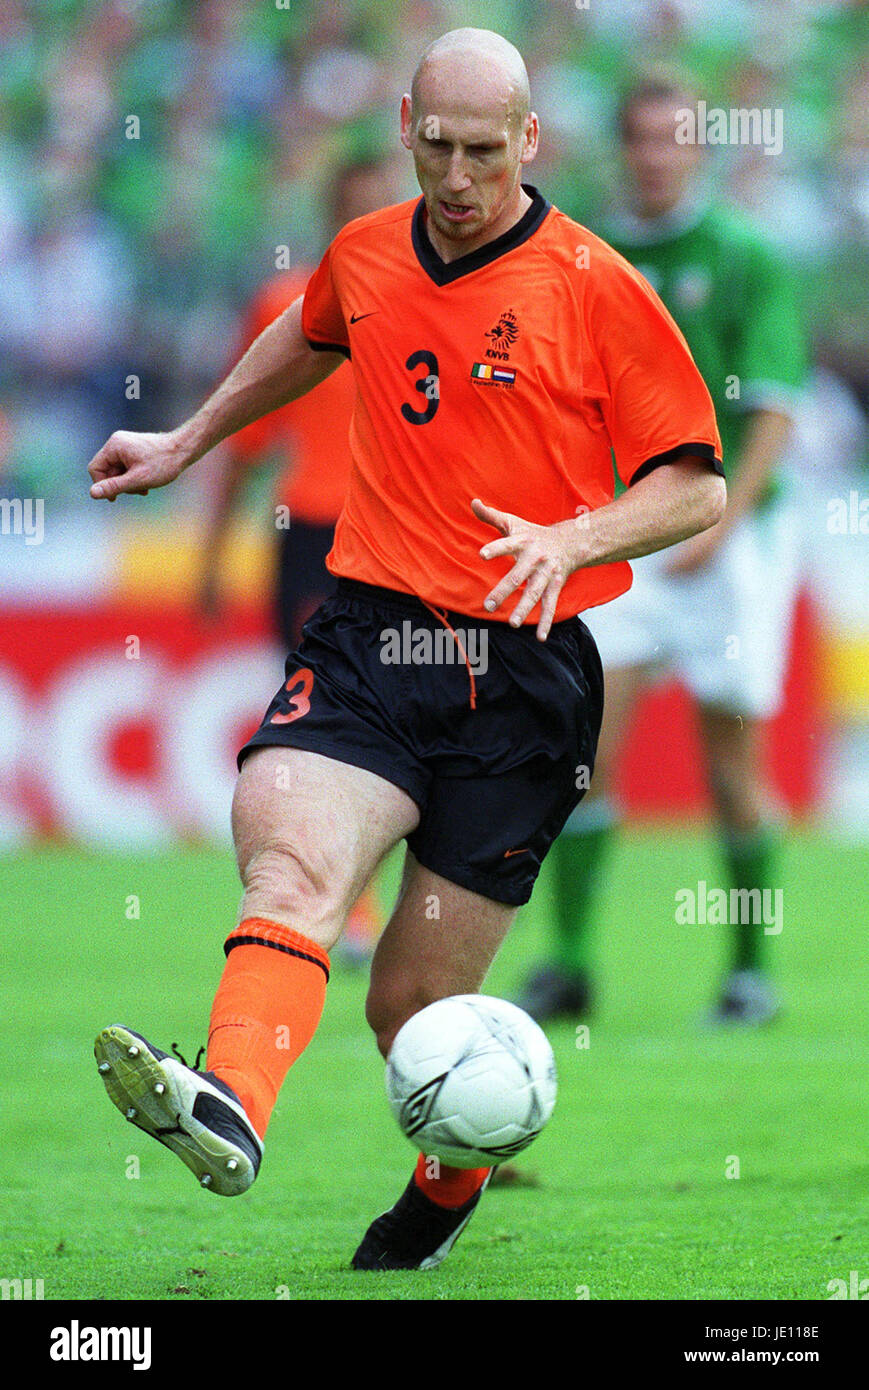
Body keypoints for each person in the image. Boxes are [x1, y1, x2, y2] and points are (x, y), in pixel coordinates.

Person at [88, 30, 725, 1272]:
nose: (456, 173)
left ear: (530, 142)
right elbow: (313, 333)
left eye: (484, 150)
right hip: (373, 635)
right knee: (286, 864)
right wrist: (191, 438)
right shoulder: (366, 251)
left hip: (522, 678)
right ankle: (229, 1100)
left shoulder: (593, 284)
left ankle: (439, 1195)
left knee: (413, 1015)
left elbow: (692, 487)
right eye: (434, 144)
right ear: (404, 124)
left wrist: (577, 532)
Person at [518, 73, 806, 1027]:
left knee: (731, 766)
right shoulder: (579, 256)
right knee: (584, 755)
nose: (653, 154)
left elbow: (769, 410)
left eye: (670, 137)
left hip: (731, 546)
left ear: (698, 149)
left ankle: (747, 972)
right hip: (627, 538)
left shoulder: (739, 255)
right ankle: (568, 964)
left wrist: (720, 522)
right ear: (621, 148)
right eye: (638, 137)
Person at [198, 156, 406, 959]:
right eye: (352, 208)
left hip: (399, 536)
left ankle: (366, 897)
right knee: (328, 724)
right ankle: (344, 905)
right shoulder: (287, 307)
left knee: (400, 716)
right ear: (330, 212)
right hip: (313, 535)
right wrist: (212, 558)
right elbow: (242, 437)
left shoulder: (421, 304)